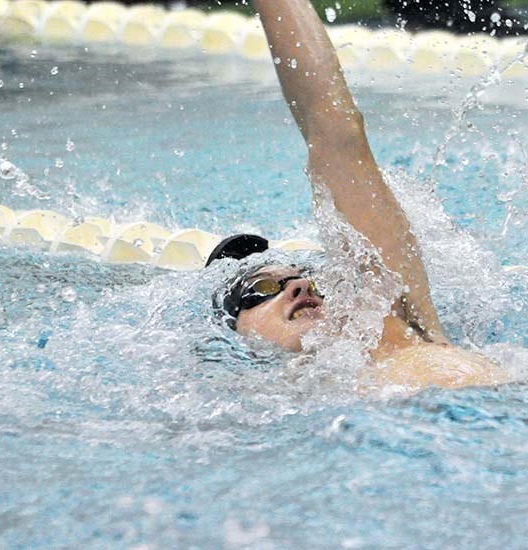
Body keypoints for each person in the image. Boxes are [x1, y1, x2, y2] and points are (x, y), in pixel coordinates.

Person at [205, 0, 506, 390]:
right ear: (235, 337)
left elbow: (333, 124)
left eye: (312, 280)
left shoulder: (395, 322)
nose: (301, 287)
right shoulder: (276, 406)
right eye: (262, 290)